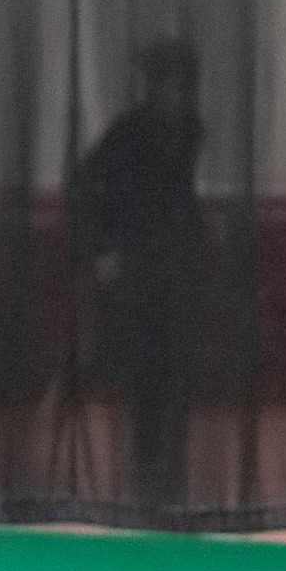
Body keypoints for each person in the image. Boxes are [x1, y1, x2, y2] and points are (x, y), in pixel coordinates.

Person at [68, 38, 207, 506]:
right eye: (165, 83)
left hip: (175, 263)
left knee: (175, 361)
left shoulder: (190, 130)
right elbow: (87, 185)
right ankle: (147, 457)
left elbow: (180, 194)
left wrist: (198, 238)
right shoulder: (127, 132)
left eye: (181, 84)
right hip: (135, 263)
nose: (174, 93)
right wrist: (102, 251)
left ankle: (169, 458)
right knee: (145, 362)